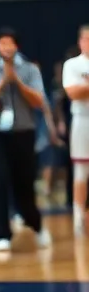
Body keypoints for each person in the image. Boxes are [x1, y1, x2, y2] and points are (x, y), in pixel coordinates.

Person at [0, 28, 52, 252]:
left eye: (10, 43)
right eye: (2, 43)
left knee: (25, 183)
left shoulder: (30, 70)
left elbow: (39, 101)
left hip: (23, 132)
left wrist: (16, 81)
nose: (6, 47)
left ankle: (36, 225)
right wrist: (1, 84)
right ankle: (2, 234)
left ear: (16, 46)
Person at [63, 26, 89, 236]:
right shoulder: (72, 65)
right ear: (80, 41)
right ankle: (78, 215)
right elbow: (73, 93)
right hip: (83, 120)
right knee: (82, 170)